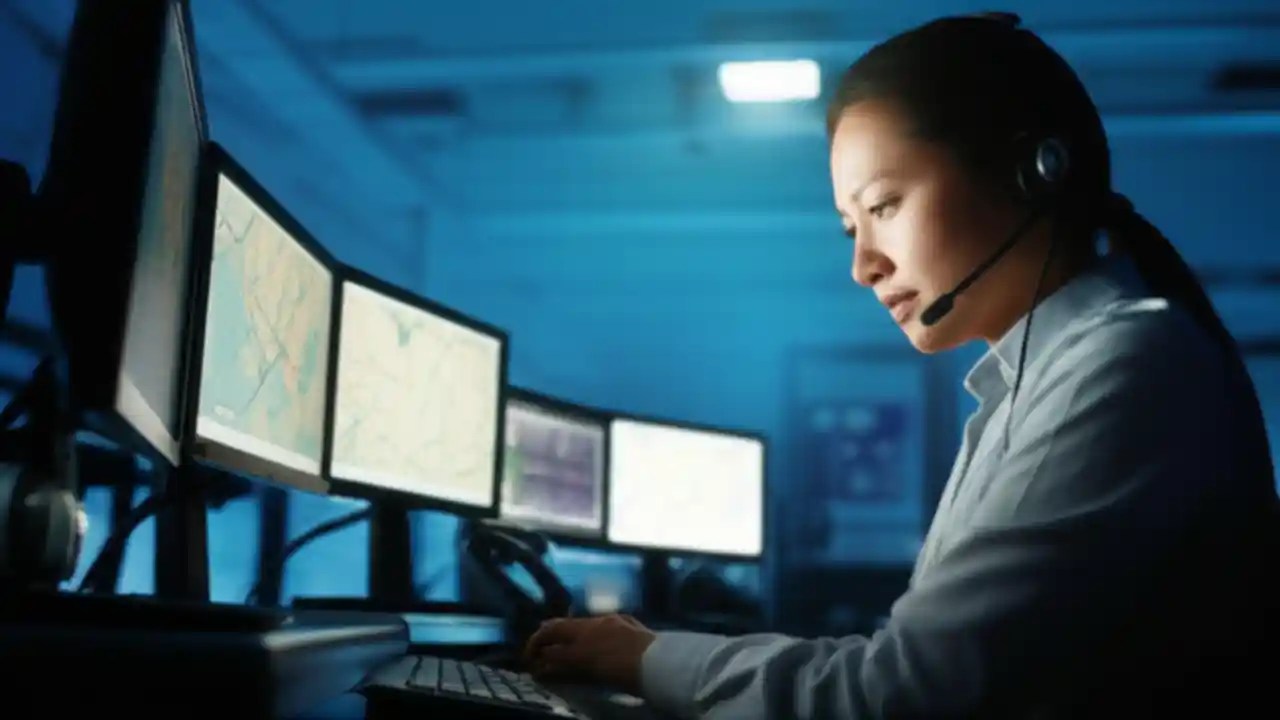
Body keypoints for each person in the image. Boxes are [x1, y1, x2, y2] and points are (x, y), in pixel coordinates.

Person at [523, 13, 1279, 719]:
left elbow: (909, 694)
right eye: (851, 227)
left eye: (883, 206)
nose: (862, 265)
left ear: (1034, 172)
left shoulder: (1121, 367)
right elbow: (917, 666)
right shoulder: (1037, 382)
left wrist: (653, 660)